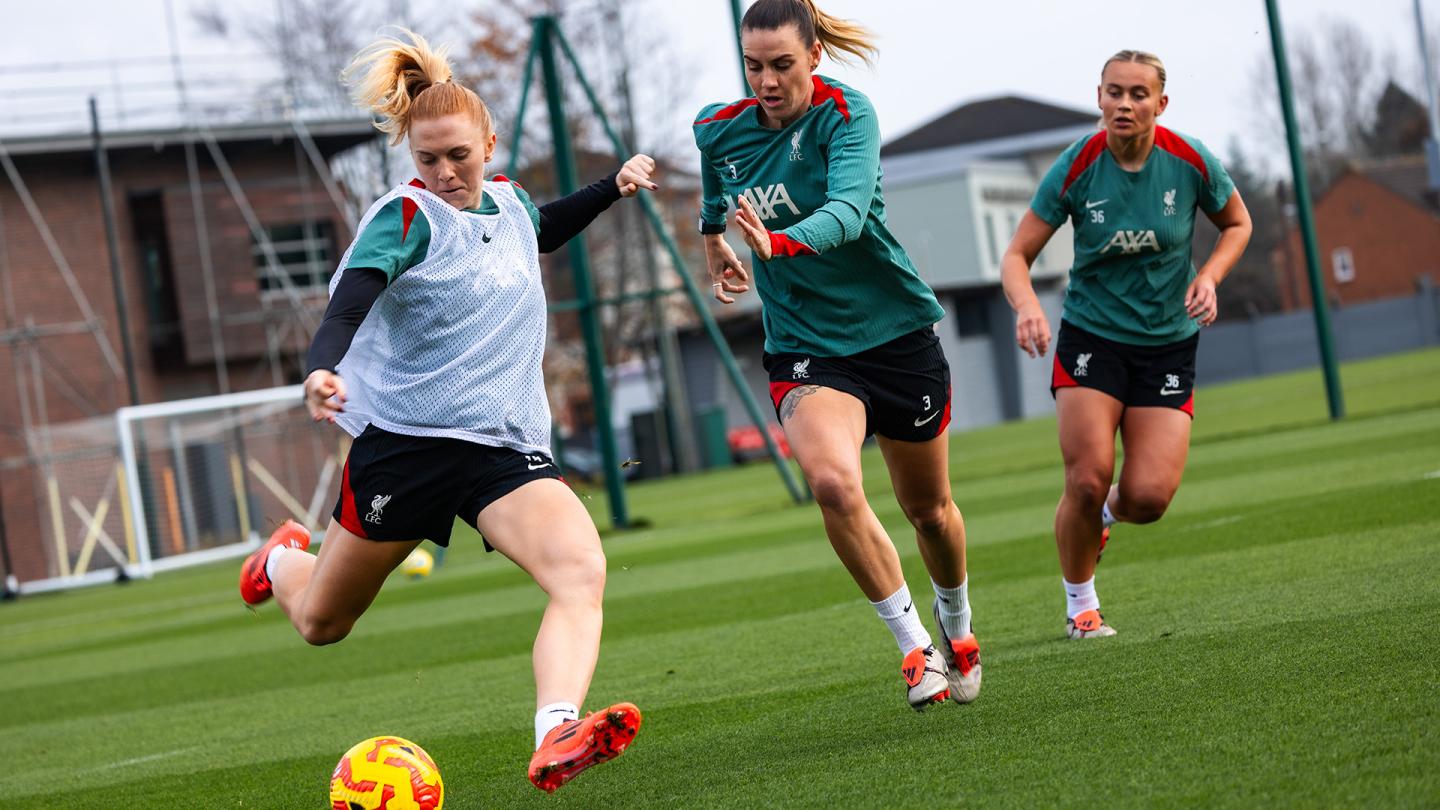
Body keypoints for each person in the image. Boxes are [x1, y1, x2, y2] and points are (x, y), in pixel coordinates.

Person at [236, 29, 656, 793]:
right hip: (405, 448)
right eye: (427, 159)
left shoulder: (509, 202)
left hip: (500, 448)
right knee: (323, 623)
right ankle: (280, 561)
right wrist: (321, 370)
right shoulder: (404, 219)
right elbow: (346, 307)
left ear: (490, 143)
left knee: (580, 570)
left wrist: (612, 186)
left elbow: (540, 226)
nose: (444, 172)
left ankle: (556, 727)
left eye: (459, 155)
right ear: (411, 157)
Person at [694, 0, 981, 711]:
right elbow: (713, 186)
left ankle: (958, 625)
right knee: (832, 484)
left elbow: (849, 214)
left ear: (814, 56)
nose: (766, 80)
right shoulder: (716, 129)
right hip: (805, 347)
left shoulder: (846, 116)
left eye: (782, 65)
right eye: (754, 65)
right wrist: (712, 240)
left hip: (895, 335)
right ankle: (915, 648)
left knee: (931, 511)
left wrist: (779, 243)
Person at [999, 50, 1252, 639]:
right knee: (1086, 477)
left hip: (1167, 344)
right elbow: (1016, 255)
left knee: (1148, 496)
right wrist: (1030, 307)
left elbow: (1238, 223)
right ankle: (1080, 606)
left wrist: (1209, 276)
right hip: (1093, 337)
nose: (1125, 104)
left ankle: (1104, 517)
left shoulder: (1189, 161)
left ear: (1160, 105)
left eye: (1139, 94)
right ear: (1099, 98)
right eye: (1115, 92)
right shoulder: (1077, 164)